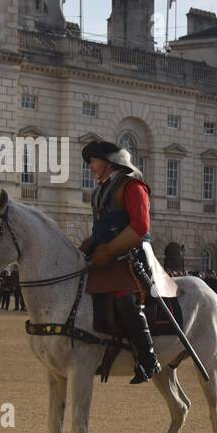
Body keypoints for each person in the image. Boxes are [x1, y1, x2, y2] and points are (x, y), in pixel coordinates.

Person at [77, 141, 160, 384]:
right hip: (105, 257)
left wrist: (111, 249)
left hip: (130, 257)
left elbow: (140, 227)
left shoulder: (133, 186)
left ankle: (148, 358)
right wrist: (89, 245)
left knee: (125, 299)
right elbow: (102, 229)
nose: (91, 166)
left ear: (109, 163)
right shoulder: (100, 192)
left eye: (94, 161)